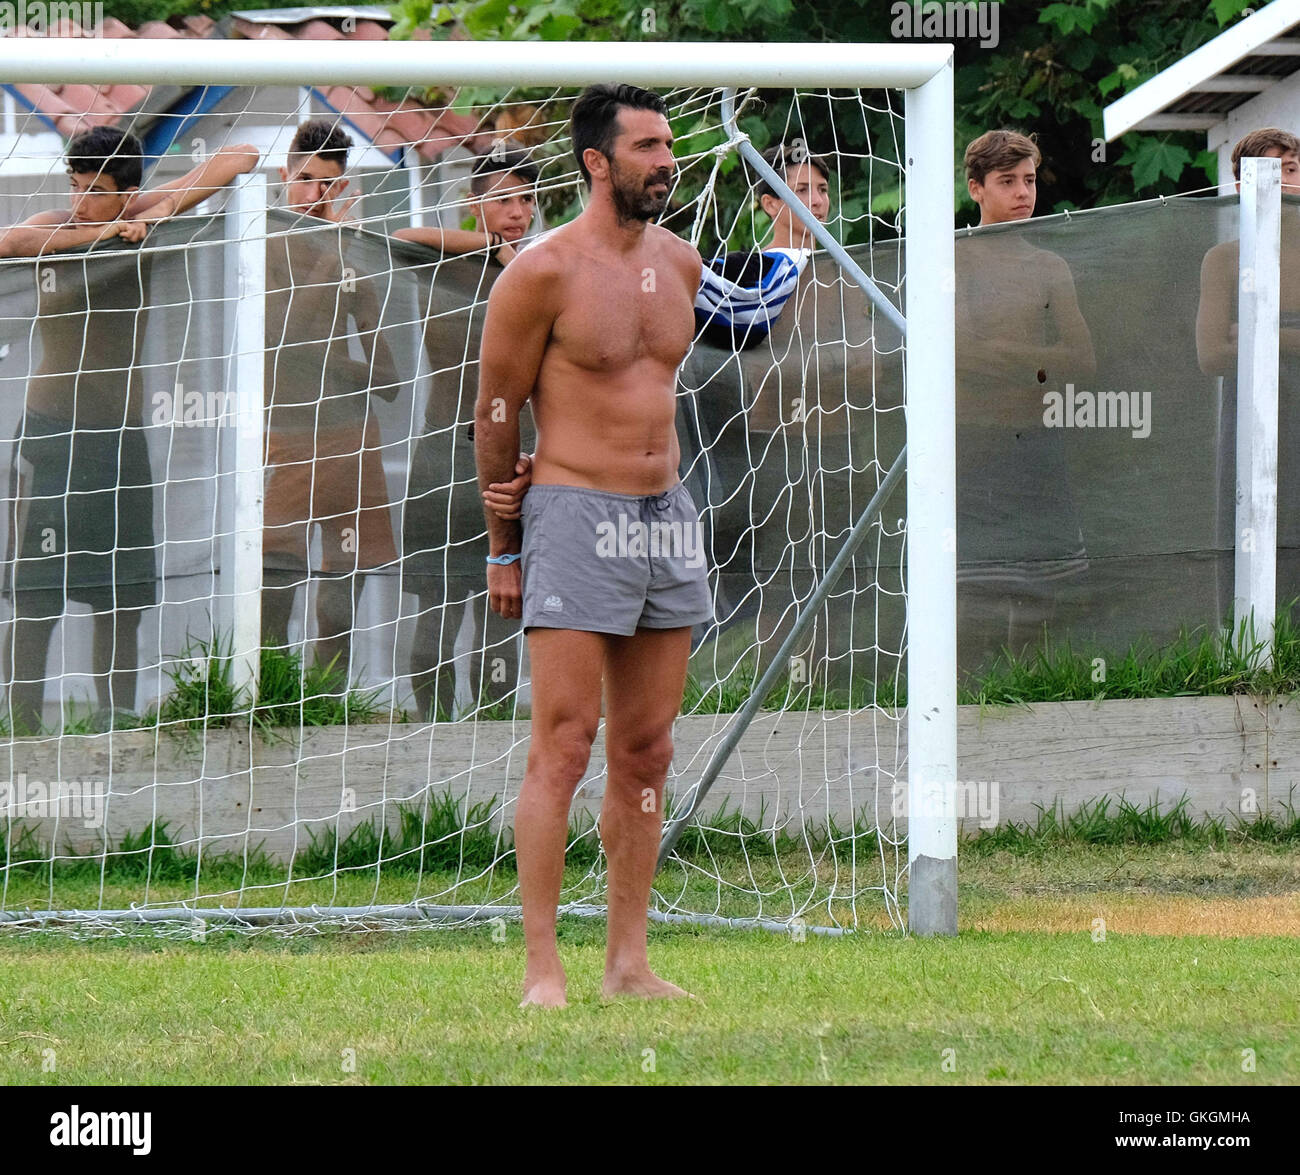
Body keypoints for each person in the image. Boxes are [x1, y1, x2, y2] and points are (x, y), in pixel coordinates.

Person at [476, 83, 710, 1007]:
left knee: (646, 749)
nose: (667, 159)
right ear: (596, 163)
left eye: (668, 144)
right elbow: (493, 415)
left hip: (667, 515)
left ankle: (628, 962)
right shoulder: (541, 272)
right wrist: (504, 545)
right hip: (572, 514)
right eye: (648, 146)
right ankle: (543, 969)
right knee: (564, 744)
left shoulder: (684, 265)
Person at [1, 126, 257, 734]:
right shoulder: (59, 227)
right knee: (37, 598)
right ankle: (22, 730)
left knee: (120, 598)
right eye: (74, 185)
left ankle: (114, 724)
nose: (80, 199)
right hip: (50, 437)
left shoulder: (144, 214)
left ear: (127, 191)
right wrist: (106, 231)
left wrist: (160, 212)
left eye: (96, 191)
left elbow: (239, 156)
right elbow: (10, 240)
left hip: (119, 443)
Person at [396, 149, 538, 719]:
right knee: (437, 601)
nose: (517, 212)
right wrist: (489, 248)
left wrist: (514, 259)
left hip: (511, 457)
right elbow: (405, 232)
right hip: (443, 451)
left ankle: (491, 729)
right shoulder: (446, 264)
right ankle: (428, 729)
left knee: (502, 603)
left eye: (526, 200)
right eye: (503, 198)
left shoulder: (539, 273)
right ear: (473, 203)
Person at [261, 119, 400, 677]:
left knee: (342, 589)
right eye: (307, 180)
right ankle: (270, 692)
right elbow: (281, 340)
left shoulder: (353, 262)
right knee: (275, 577)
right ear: (284, 174)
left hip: (351, 438)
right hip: (288, 437)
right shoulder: (265, 244)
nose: (316, 196)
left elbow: (388, 379)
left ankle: (327, 702)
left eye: (330, 186)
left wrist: (333, 365)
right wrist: (331, 251)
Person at [955, 129, 1095, 670]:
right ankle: (966, 705)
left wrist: (1000, 353)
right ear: (976, 188)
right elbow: (957, 351)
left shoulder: (1049, 267)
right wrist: (1039, 358)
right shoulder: (954, 257)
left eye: (1029, 180)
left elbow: (1081, 361)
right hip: (972, 446)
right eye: (1006, 181)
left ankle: (1026, 696)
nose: (1022, 193)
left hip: (1038, 444)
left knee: (1041, 588)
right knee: (974, 587)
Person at [1196, 127, 1300, 611]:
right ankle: (1249, 654)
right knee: (1247, 528)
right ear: (1242, 186)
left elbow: (1234, 341)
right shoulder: (1225, 260)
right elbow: (1211, 353)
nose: (1284, 183)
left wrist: (1262, 334)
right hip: (1250, 417)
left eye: (1292, 170)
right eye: (1271, 173)